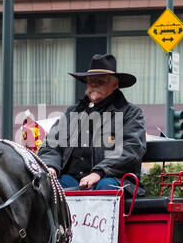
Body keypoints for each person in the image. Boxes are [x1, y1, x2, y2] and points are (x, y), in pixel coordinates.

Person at [38, 53, 146, 191]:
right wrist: (51, 166)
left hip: (114, 179)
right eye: (90, 81)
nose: (94, 85)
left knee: (105, 187)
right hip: (72, 180)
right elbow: (51, 145)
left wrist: (99, 172)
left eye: (100, 81)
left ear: (115, 84)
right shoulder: (73, 112)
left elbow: (131, 150)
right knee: (49, 187)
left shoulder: (131, 113)